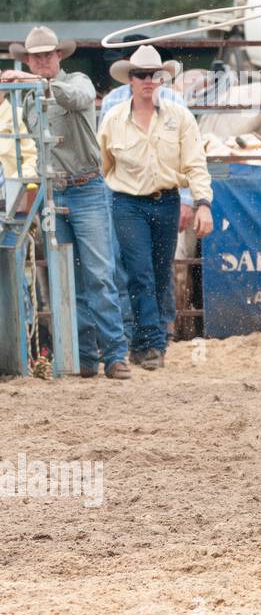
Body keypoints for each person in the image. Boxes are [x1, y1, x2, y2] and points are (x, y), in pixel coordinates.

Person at [3, 28, 132, 379]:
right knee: (65, 277)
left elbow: (76, 98)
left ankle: (116, 354)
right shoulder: (26, 98)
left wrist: (32, 81)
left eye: (48, 54)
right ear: (28, 58)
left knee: (98, 275)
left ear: (59, 56)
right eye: (36, 56)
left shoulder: (78, 81)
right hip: (53, 190)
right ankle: (85, 357)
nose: (43, 60)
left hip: (86, 186)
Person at [98, 45, 212, 371]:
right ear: (130, 80)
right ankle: (150, 343)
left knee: (160, 273)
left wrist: (201, 202)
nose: (148, 80)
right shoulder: (113, 118)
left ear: (162, 79)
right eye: (141, 75)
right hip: (128, 202)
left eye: (154, 75)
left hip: (166, 199)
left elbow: (195, 162)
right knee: (141, 272)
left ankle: (149, 342)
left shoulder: (179, 115)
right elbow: (103, 164)